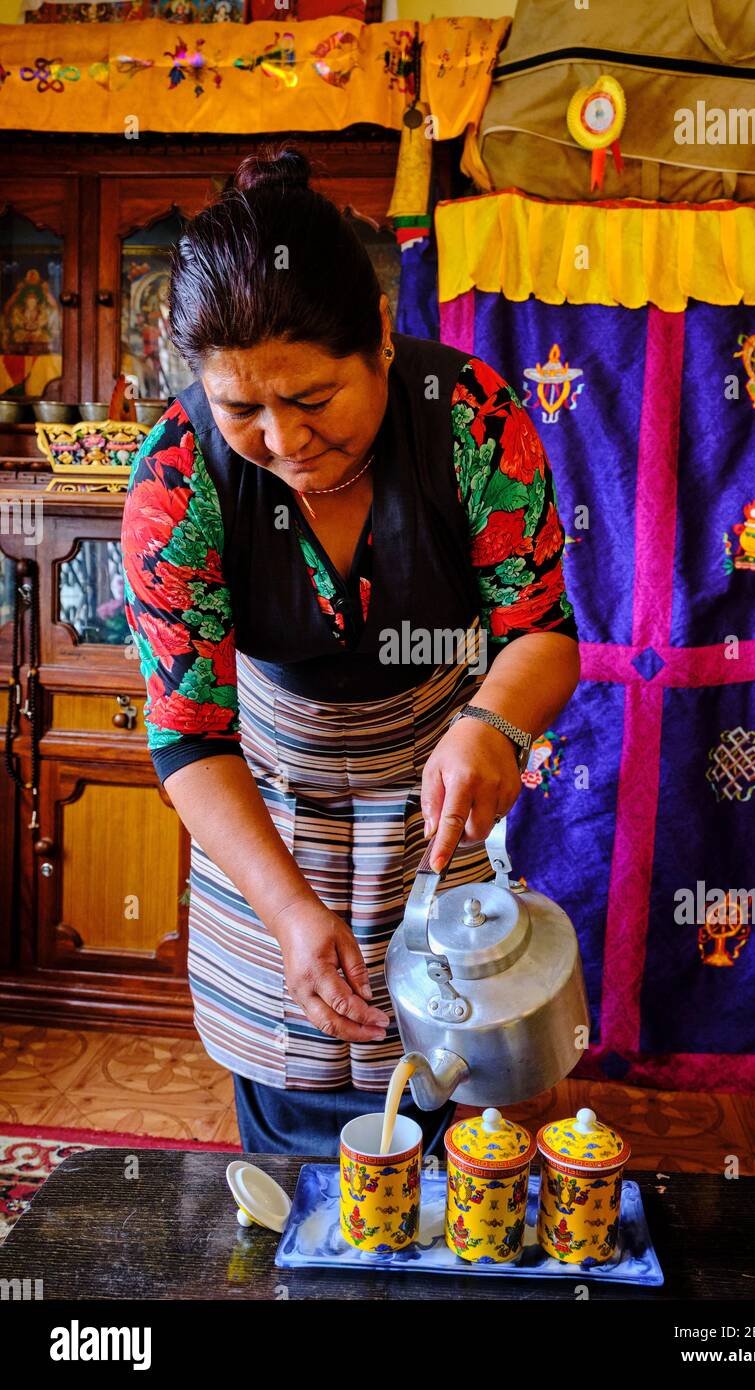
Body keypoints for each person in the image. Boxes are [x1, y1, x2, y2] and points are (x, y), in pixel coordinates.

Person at [120, 142, 581, 1158]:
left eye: (312, 399)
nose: (283, 442)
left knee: (460, 1088)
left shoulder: (467, 420)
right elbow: (188, 738)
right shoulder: (177, 480)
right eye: (243, 407)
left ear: (378, 332)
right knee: (292, 1142)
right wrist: (288, 913)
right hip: (263, 803)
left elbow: (539, 632)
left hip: (436, 792)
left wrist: (491, 721)